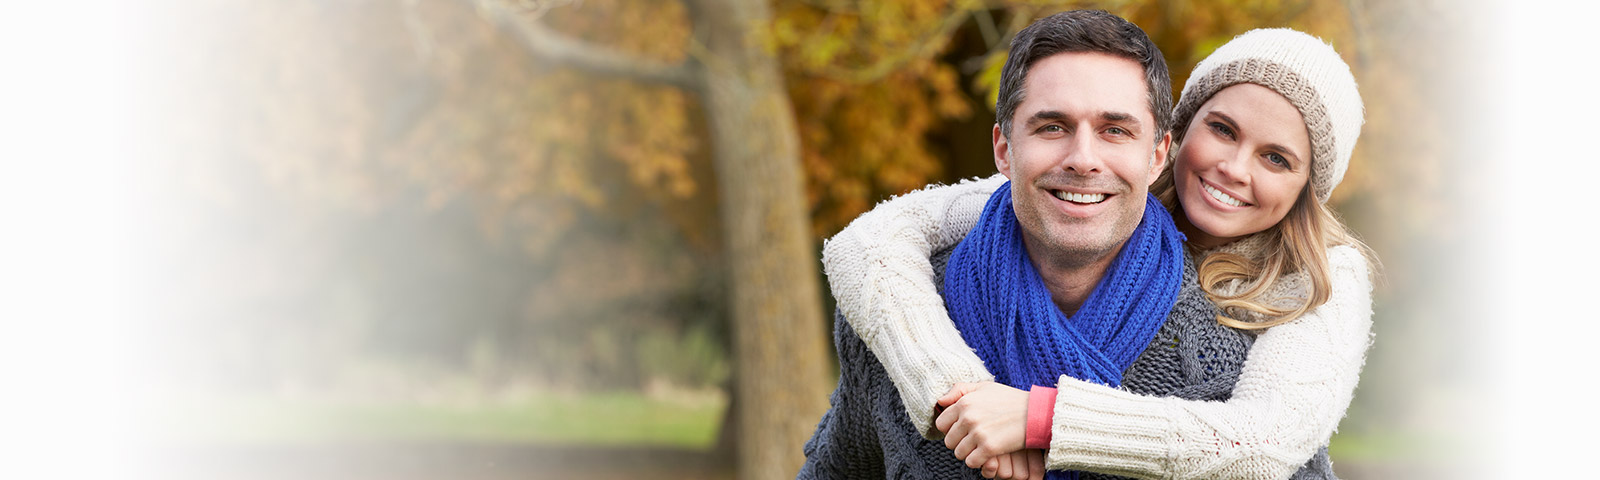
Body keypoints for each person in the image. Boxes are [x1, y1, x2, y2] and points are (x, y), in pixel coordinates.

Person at [818, 24, 1375, 480]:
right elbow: (870, 240)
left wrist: (1042, 419)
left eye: (1277, 158)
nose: (1233, 167)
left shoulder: (1321, 282)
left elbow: (1266, 445)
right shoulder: (1080, 192)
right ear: (1174, 140)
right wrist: (947, 385)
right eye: (1223, 130)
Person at [801, 9, 1190, 479]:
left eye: (1115, 131)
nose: (1084, 159)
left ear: (1157, 155)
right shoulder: (896, 309)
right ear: (1004, 149)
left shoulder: (1229, 333)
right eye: (1052, 127)